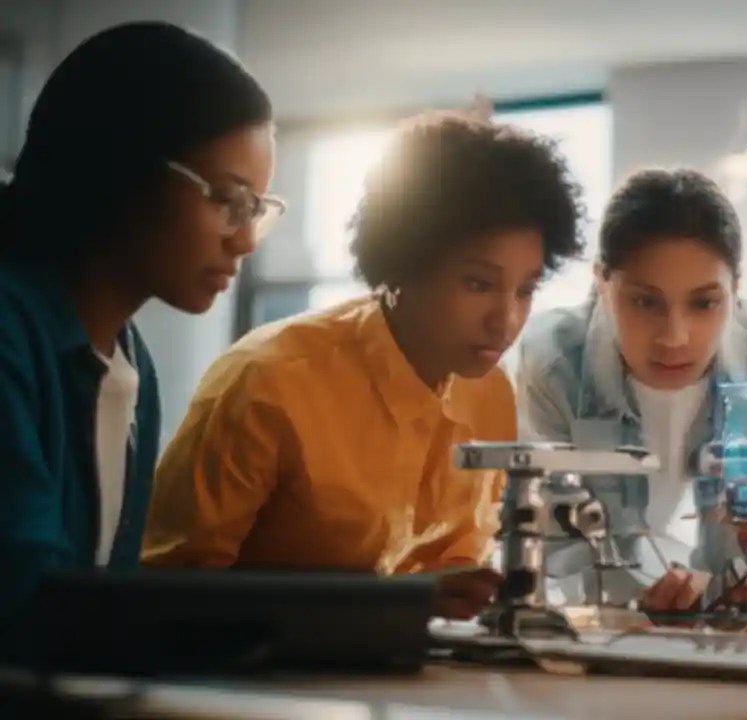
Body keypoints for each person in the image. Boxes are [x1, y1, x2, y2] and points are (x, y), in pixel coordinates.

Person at [142, 113, 584, 618]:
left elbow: (453, 570)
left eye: (526, 290)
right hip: (257, 683)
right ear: (403, 264)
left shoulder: (489, 393)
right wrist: (385, 602)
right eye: (479, 284)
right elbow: (169, 591)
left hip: (407, 678)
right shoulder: (269, 379)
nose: (506, 320)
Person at [0, 22, 278, 659]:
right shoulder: (12, 332)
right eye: (228, 200)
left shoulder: (132, 367)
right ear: (121, 162)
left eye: (257, 209)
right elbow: (24, 601)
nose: (244, 240)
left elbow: (101, 608)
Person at [517, 168, 747, 611]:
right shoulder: (555, 363)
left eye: (704, 303)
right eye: (645, 302)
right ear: (601, 283)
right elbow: (553, 544)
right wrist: (638, 599)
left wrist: (727, 588)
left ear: (737, 289)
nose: (674, 337)